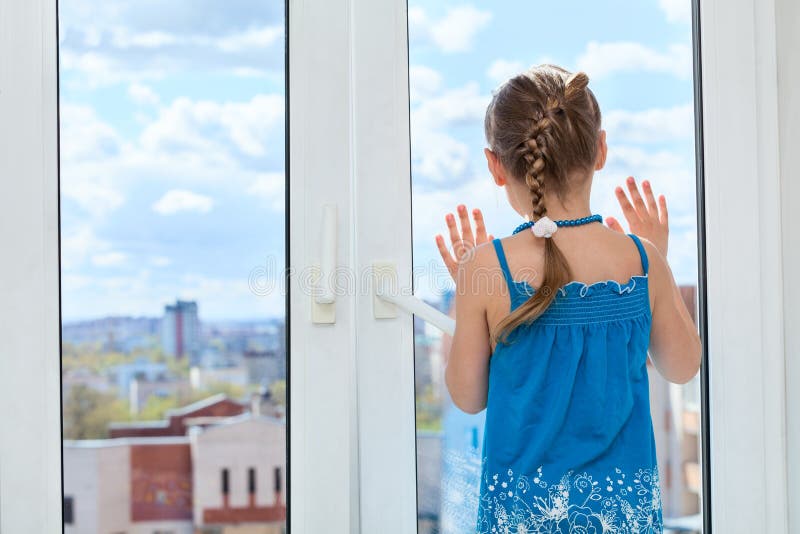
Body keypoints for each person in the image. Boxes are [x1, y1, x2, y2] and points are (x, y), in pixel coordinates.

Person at [435, 64, 702, 533]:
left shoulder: (485, 268)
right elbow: (682, 367)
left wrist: (468, 287)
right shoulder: (641, 261)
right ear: (600, 149)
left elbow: (467, 396)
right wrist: (657, 254)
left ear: (496, 166)